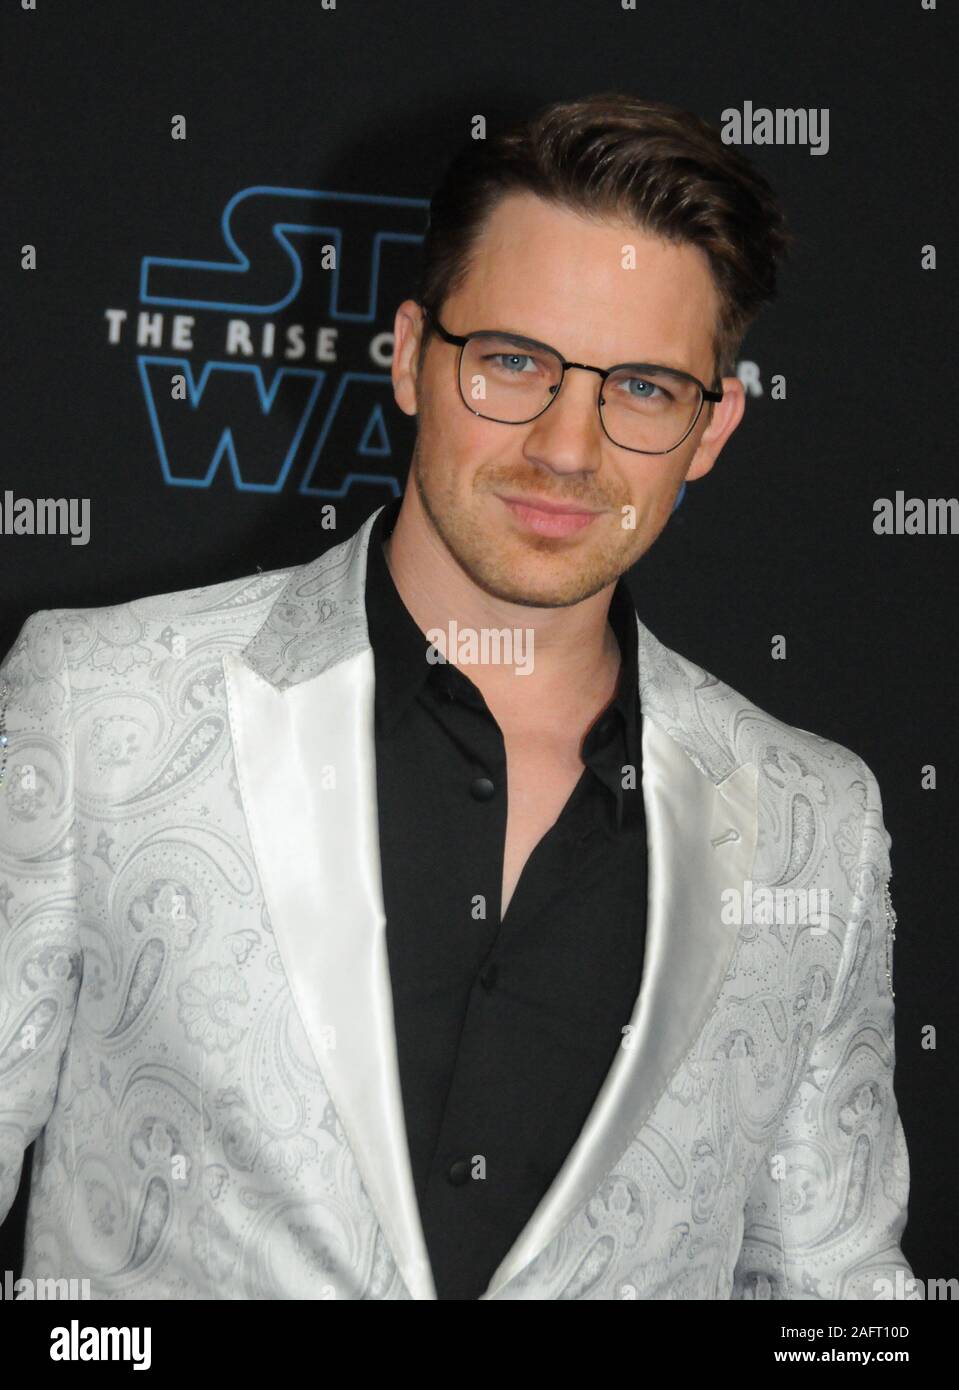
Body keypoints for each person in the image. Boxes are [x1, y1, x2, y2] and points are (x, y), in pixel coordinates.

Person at [0, 93, 918, 1300]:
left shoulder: (816, 824)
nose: (566, 448)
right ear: (410, 356)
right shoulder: (98, 707)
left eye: (640, 387)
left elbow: (834, 1294)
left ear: (711, 429)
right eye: (514, 363)